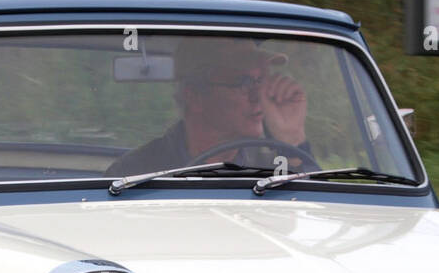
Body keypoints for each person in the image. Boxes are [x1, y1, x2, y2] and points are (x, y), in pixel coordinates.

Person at [105, 38, 309, 178]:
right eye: (243, 82)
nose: (259, 97)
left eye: (261, 81)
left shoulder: (271, 168)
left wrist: (293, 139)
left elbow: (302, 217)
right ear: (194, 96)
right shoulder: (135, 173)